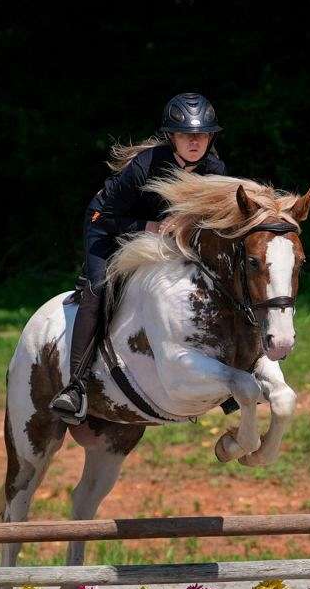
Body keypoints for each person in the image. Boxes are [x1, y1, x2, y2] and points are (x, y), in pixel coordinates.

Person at [50, 92, 227, 423]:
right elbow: (104, 218)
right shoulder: (143, 166)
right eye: (187, 135)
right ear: (171, 137)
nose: (195, 142)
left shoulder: (214, 169)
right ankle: (74, 387)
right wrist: (150, 226)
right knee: (99, 289)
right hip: (109, 230)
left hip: (166, 240)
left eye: (202, 135)